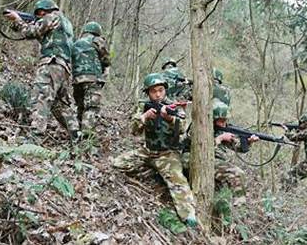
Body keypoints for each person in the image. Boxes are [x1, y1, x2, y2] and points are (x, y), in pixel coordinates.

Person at [112, 73, 197, 227]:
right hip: (147, 151)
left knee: (178, 182)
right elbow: (133, 131)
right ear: (148, 93)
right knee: (117, 164)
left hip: (167, 154)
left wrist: (169, 119)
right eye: (153, 91)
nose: (158, 94)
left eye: (160, 90)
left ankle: (188, 215)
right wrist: (144, 117)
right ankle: (153, 173)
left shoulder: (175, 106)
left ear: (165, 90)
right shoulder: (143, 106)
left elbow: (183, 128)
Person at [5, 0, 81, 142]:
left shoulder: (51, 17)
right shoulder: (66, 23)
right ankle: (76, 136)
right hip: (63, 67)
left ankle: (35, 137)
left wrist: (17, 19)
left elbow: (30, 32)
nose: (39, 16)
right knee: (61, 106)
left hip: (51, 63)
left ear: (44, 10)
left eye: (40, 14)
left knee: (40, 98)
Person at [182, 99, 259, 206]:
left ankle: (236, 206)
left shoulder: (223, 128)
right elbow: (199, 148)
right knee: (236, 173)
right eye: (220, 120)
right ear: (212, 119)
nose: (223, 123)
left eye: (225, 120)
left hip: (212, 161)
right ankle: (239, 202)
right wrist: (219, 139)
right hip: (192, 158)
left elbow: (237, 147)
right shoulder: (198, 127)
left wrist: (249, 142)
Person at [71, 21, 110, 133]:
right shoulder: (97, 40)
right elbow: (106, 59)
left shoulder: (75, 43)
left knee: (80, 107)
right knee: (91, 108)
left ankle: (76, 133)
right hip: (92, 79)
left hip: (77, 80)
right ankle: (86, 137)